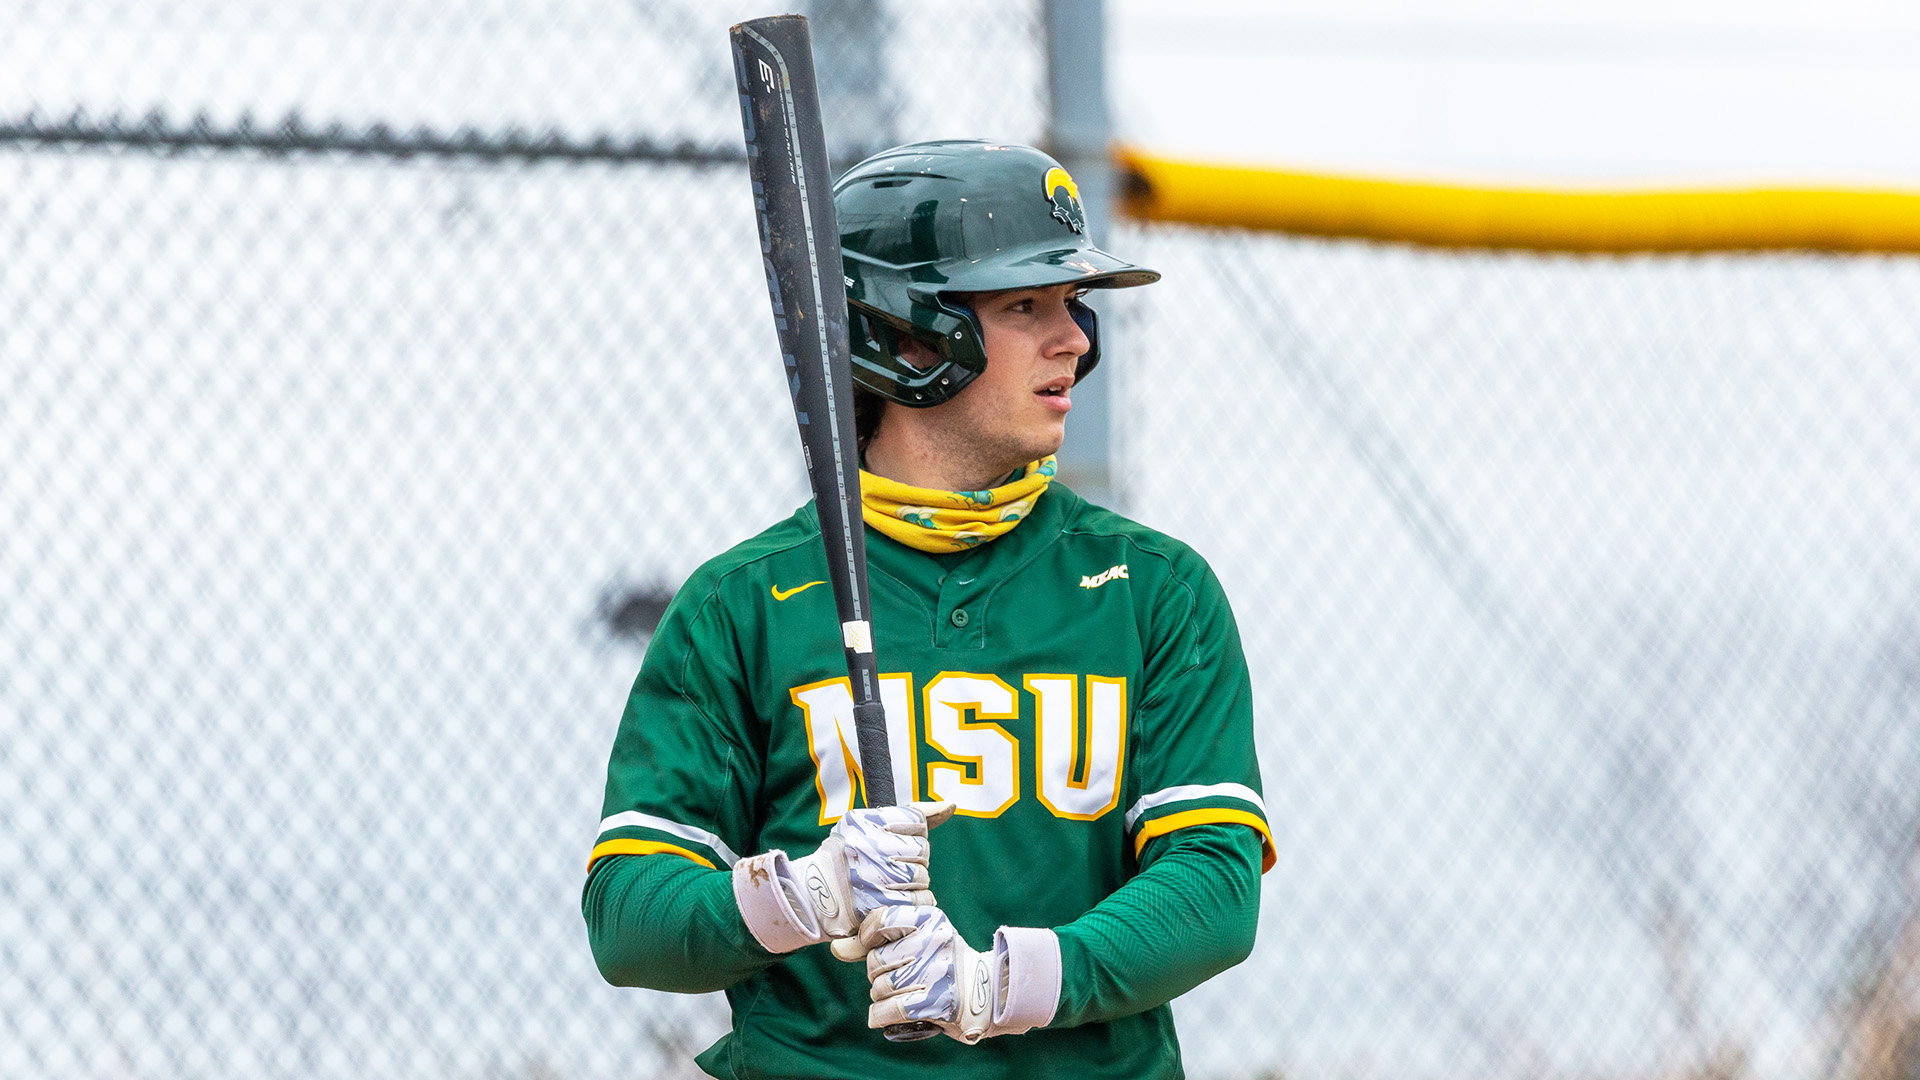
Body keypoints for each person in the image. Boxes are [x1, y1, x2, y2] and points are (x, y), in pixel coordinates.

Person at [584, 140, 1270, 1080]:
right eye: (1025, 306)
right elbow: (629, 917)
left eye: (1071, 305)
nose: (1073, 338)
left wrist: (1002, 984)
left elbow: (1215, 890)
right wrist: (806, 896)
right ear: (907, 335)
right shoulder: (743, 604)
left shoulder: (1151, 589)